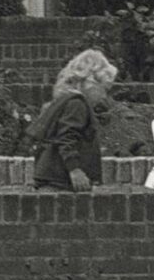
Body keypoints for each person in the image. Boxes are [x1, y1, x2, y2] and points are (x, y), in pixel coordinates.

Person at [29, 48, 117, 191]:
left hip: (50, 175)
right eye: (104, 89)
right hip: (61, 180)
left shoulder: (63, 100)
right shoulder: (77, 104)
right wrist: (75, 170)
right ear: (91, 82)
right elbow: (66, 137)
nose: (104, 96)